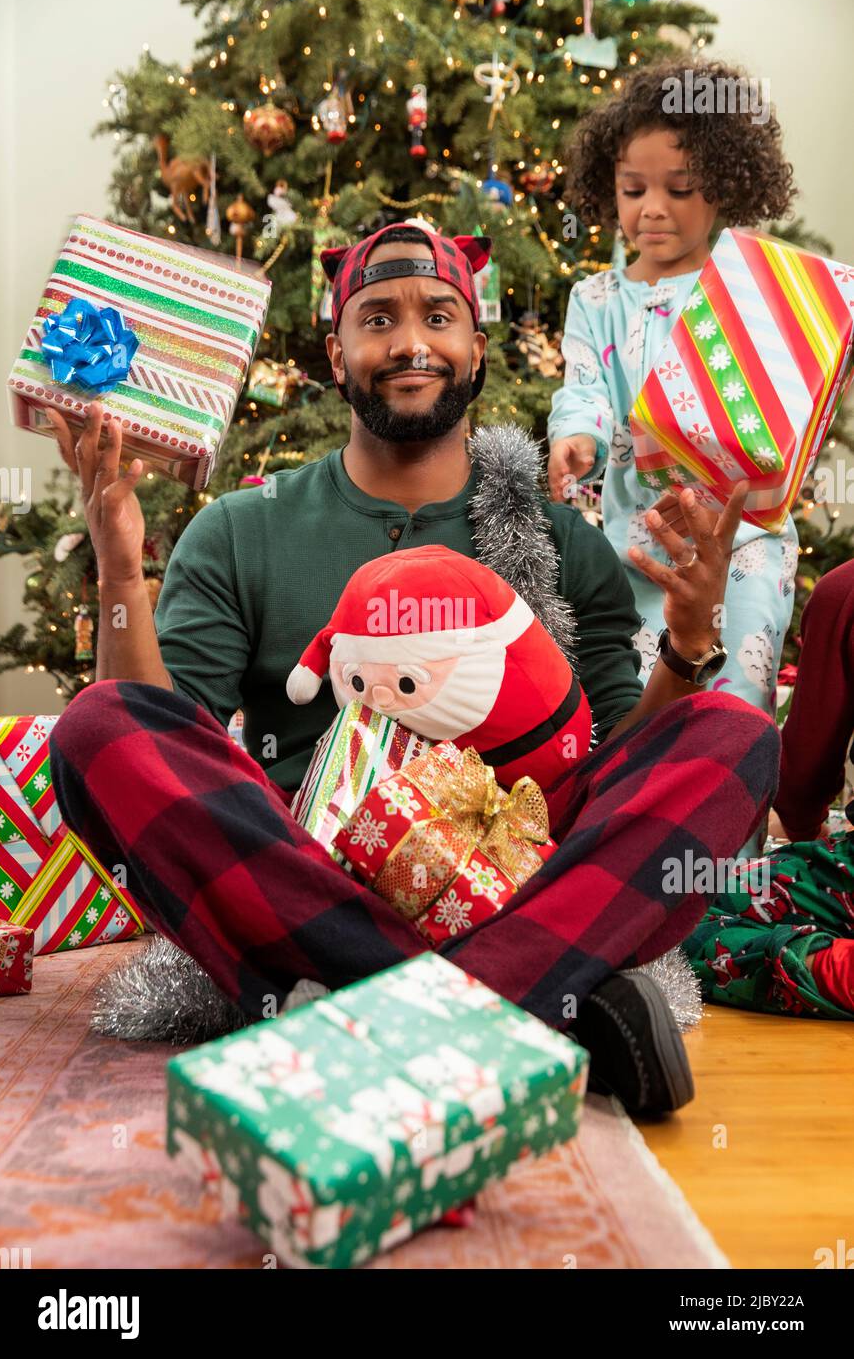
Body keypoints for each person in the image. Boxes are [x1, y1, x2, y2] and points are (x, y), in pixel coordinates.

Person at [44, 221, 779, 1116]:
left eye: (438, 315)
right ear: (335, 351)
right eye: (377, 318)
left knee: (733, 736)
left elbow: (614, 763)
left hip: (522, 869)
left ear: (475, 345)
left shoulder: (561, 540)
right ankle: (530, 1001)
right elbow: (160, 729)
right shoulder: (243, 530)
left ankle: (356, 1007)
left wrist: (688, 642)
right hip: (307, 874)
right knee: (95, 727)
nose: (410, 342)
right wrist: (121, 569)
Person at [547, 58, 800, 719]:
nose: (652, 209)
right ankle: (642, 826)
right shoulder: (596, 299)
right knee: (640, 717)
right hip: (634, 555)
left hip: (744, 542)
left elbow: (788, 386)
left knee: (732, 708)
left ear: (723, 188)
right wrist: (577, 437)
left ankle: (733, 825)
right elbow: (585, 387)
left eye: (680, 189)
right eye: (633, 190)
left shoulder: (745, 286)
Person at [683, 560, 854, 1018]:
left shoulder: (845, 590)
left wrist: (798, 822)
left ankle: (819, 967)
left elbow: (808, 766)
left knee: (670, 907)